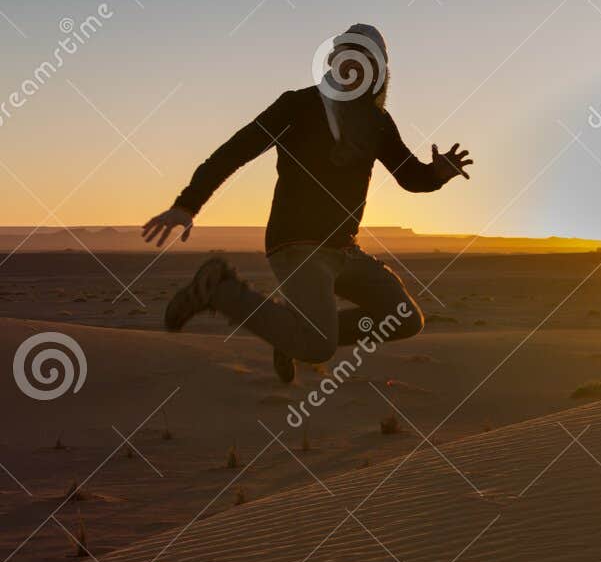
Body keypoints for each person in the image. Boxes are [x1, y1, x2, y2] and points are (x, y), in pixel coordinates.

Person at [142, 23, 471, 383]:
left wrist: (438, 174)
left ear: (377, 72)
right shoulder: (297, 106)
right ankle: (219, 290)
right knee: (318, 347)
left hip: (343, 250)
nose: (354, 67)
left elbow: (410, 177)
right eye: (349, 55)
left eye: (366, 60)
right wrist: (188, 204)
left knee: (404, 317)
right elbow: (236, 150)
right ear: (334, 60)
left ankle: (289, 333)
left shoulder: (376, 122)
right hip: (297, 245)